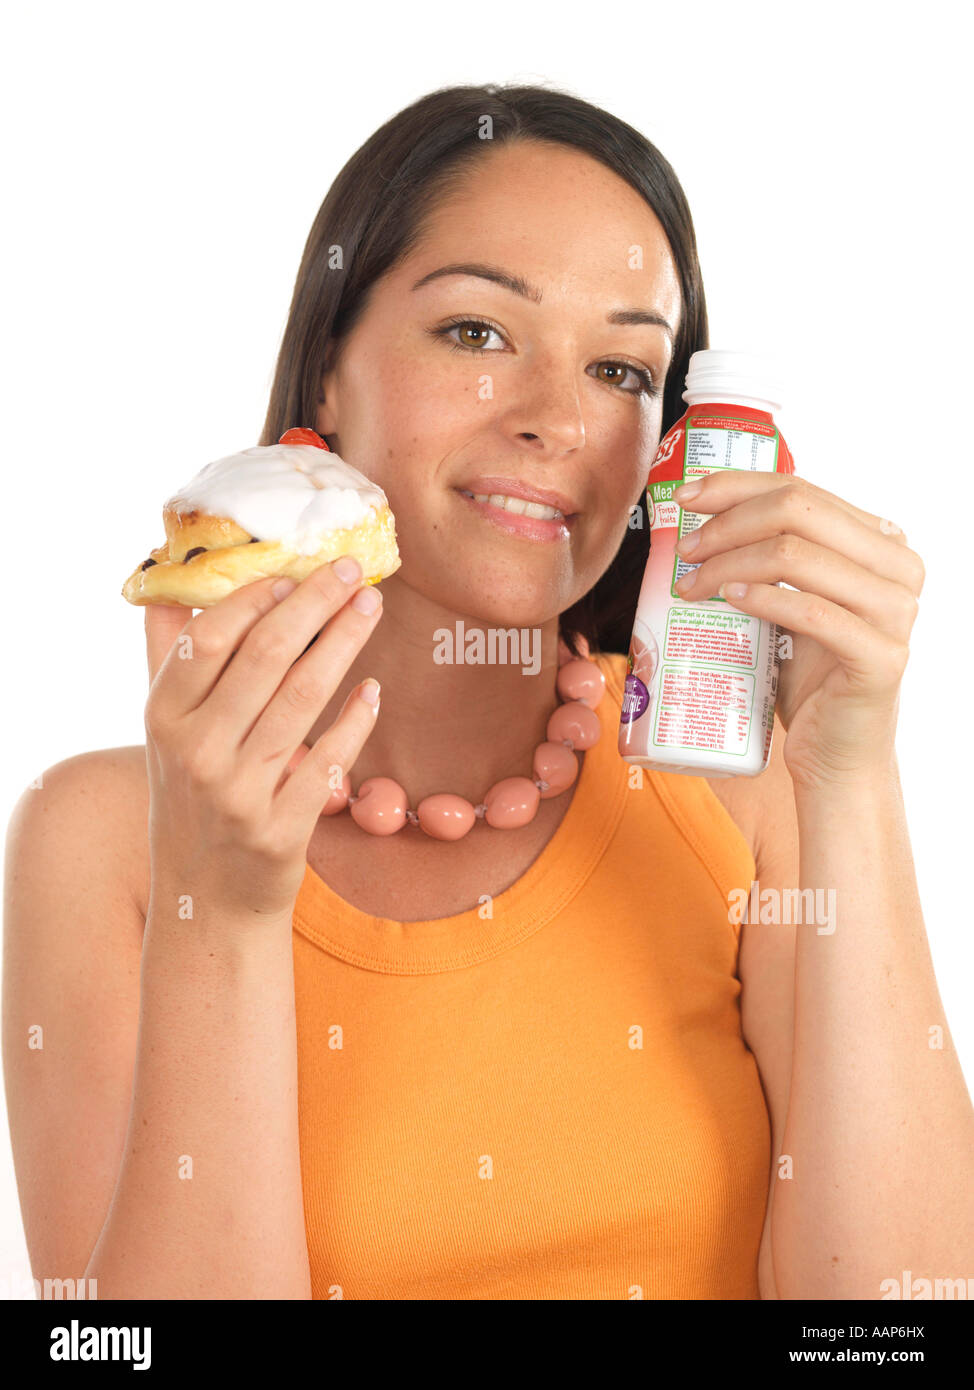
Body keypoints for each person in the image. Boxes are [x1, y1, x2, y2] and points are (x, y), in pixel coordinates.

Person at [5, 84, 968, 1302]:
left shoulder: (738, 781)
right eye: (475, 334)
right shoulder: (101, 840)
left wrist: (849, 777)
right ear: (324, 379)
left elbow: (892, 1330)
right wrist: (225, 905)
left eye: (620, 368)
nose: (558, 420)